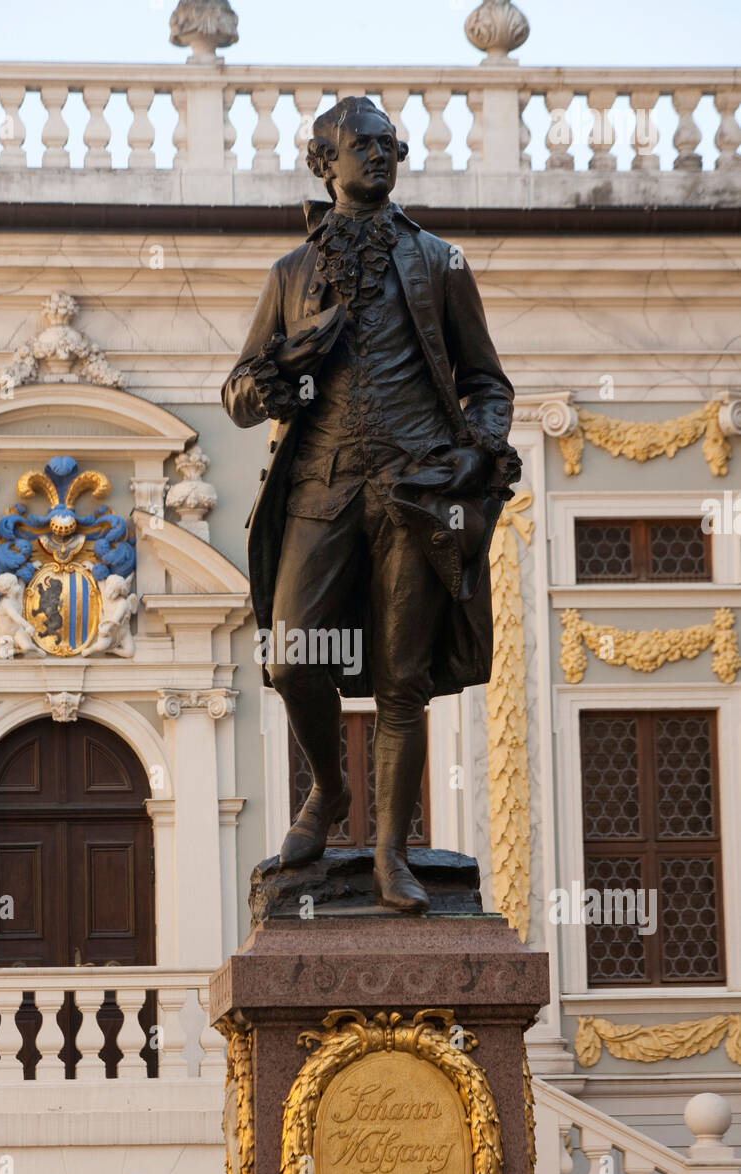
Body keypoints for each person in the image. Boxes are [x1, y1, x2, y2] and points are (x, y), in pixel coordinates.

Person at [223, 97, 520, 913]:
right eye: (362, 147)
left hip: (414, 489)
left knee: (403, 681)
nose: (379, 157)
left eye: (389, 145)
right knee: (290, 658)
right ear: (325, 162)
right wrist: (279, 368)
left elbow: (486, 383)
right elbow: (241, 395)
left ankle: (392, 855)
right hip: (321, 485)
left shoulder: (440, 261)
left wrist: (478, 449)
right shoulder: (290, 274)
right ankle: (329, 791)